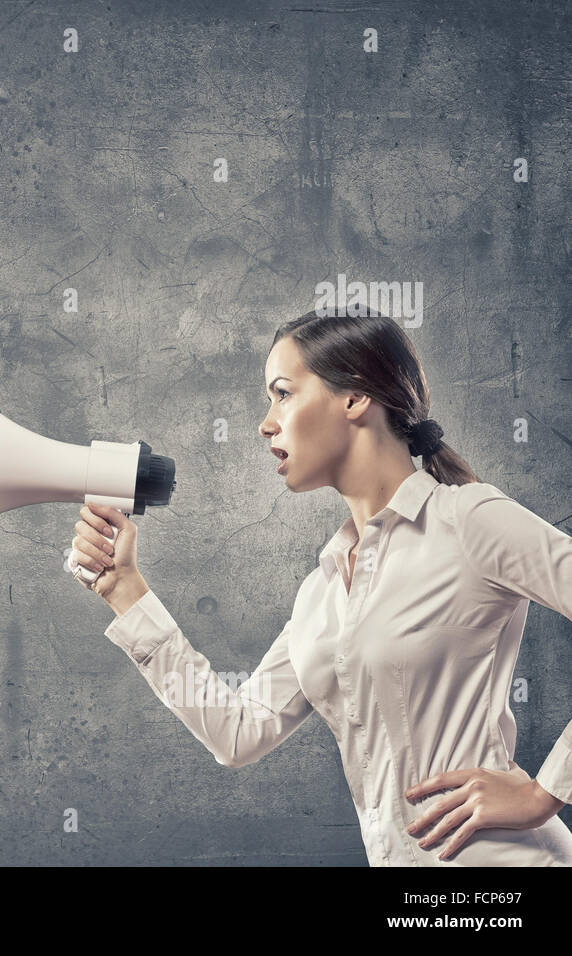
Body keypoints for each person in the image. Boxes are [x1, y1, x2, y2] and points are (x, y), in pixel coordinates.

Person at [68, 308, 572, 865]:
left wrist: (541, 795)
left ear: (355, 398)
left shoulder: (468, 519)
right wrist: (124, 591)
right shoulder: (323, 591)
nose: (265, 423)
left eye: (282, 393)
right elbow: (238, 734)